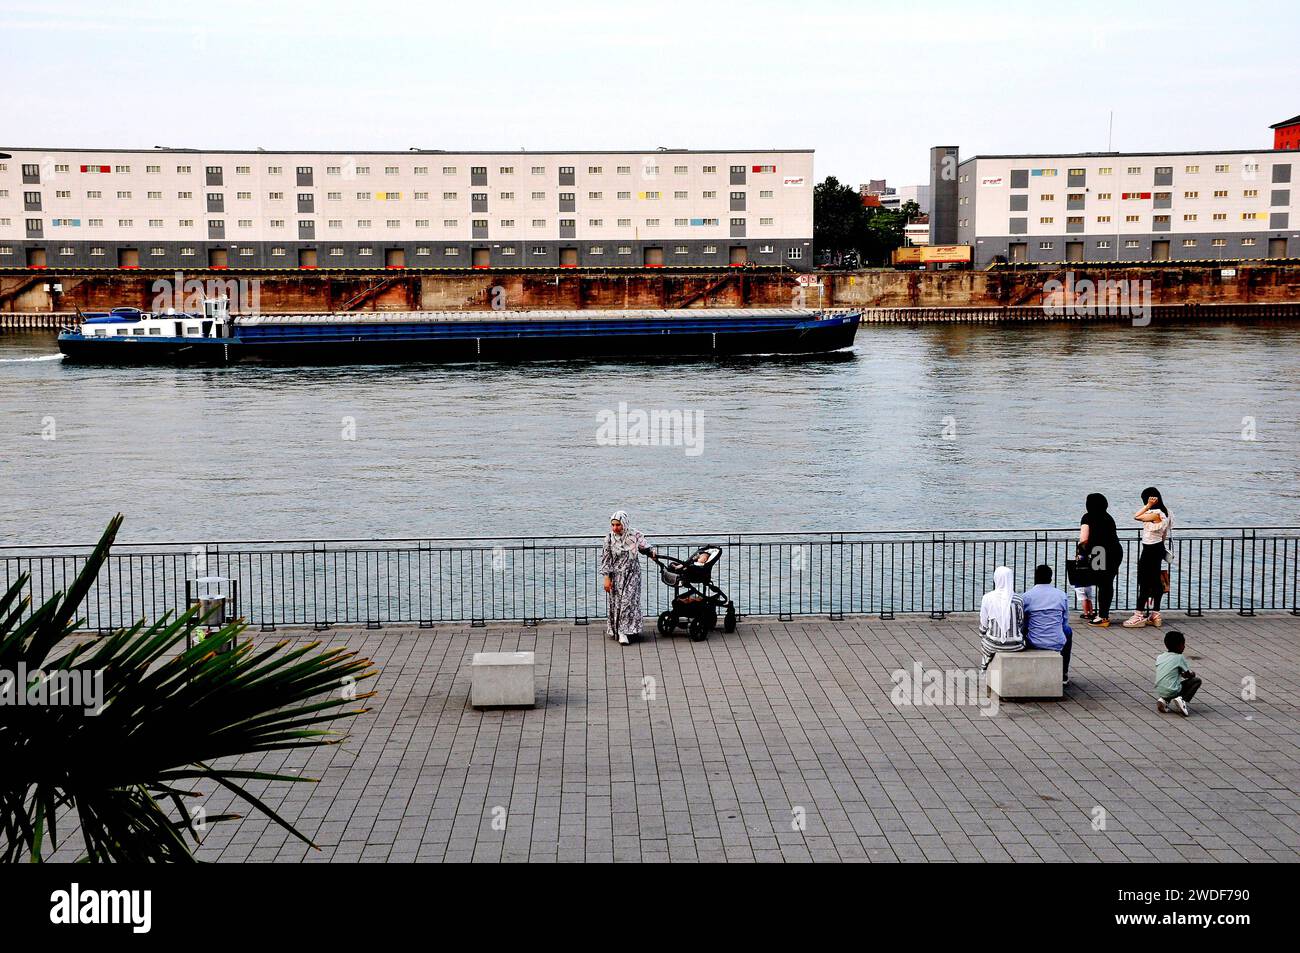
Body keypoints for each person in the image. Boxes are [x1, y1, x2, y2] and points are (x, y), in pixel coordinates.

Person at [599, 510, 654, 645]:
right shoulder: (609, 539)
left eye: (618, 525)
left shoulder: (634, 535)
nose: (615, 528)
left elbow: (645, 546)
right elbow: (606, 560)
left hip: (633, 574)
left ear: (624, 523)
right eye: (613, 525)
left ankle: (625, 631)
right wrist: (606, 577)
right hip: (616, 576)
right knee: (617, 603)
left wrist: (651, 552)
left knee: (628, 601)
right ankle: (618, 630)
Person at [1123, 487, 1172, 628]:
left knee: (1144, 582)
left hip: (1149, 550)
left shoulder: (1156, 513)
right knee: (1156, 581)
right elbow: (1164, 535)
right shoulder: (1166, 513)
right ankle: (1155, 614)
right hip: (1158, 548)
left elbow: (1136, 516)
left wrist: (1148, 506)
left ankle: (1138, 615)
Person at [1021, 564, 1073, 685]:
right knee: (1068, 631)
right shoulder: (1061, 595)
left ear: (1035, 578)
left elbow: (1022, 622)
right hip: (1057, 641)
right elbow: (1064, 621)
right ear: (1051, 578)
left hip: (1033, 640)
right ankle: (1064, 672)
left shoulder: (1026, 597)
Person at [1080, 493, 1124, 627]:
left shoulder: (1087, 517)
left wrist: (1081, 555)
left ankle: (1102, 617)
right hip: (1115, 552)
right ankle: (1103, 614)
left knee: (1101, 584)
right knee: (1107, 583)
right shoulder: (1108, 517)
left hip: (1099, 553)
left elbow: (1084, 539)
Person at [978, 566, 1025, 672]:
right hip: (1015, 645)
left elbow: (983, 623)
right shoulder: (1018, 599)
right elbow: (1021, 621)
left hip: (993, 644)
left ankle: (985, 670)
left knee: (986, 641)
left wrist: (982, 634)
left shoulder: (988, 598)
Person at [1154, 630, 1200, 716]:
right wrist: (1192, 674)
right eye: (1183, 644)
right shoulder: (1179, 657)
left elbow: (1169, 670)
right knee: (1196, 681)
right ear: (1179, 646)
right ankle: (1181, 699)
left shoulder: (1160, 657)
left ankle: (1164, 700)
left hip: (1160, 690)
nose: (1184, 647)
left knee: (1169, 684)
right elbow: (1187, 675)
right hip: (1173, 690)